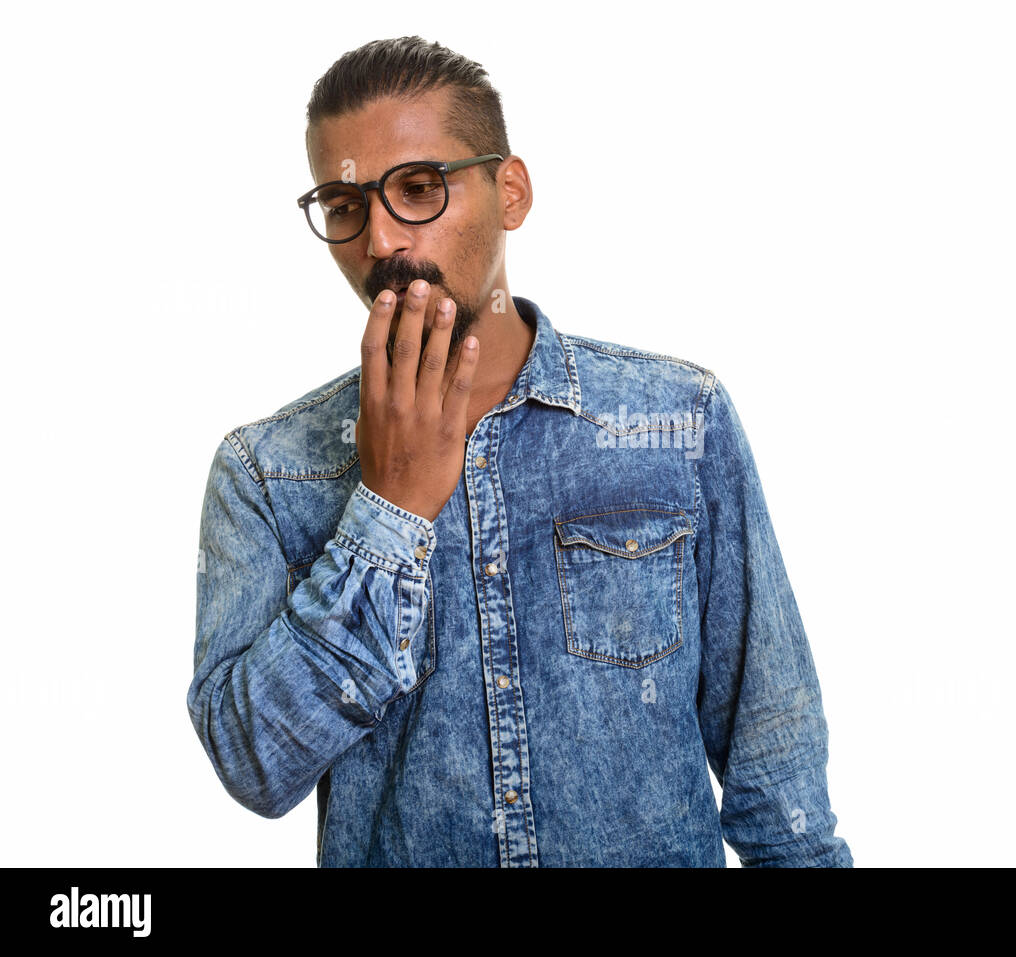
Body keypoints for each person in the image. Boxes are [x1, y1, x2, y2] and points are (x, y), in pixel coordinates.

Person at [187, 35, 853, 868]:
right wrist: (389, 515)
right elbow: (256, 765)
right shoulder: (268, 474)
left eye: (419, 188)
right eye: (345, 203)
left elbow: (778, 780)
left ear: (511, 191)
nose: (383, 239)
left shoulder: (678, 423)